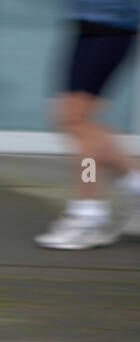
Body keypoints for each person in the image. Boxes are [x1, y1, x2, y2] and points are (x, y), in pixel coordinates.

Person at [36, 0, 140, 249]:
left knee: (77, 121)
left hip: (111, 24)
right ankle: (128, 190)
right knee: (75, 121)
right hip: (93, 23)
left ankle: (90, 216)